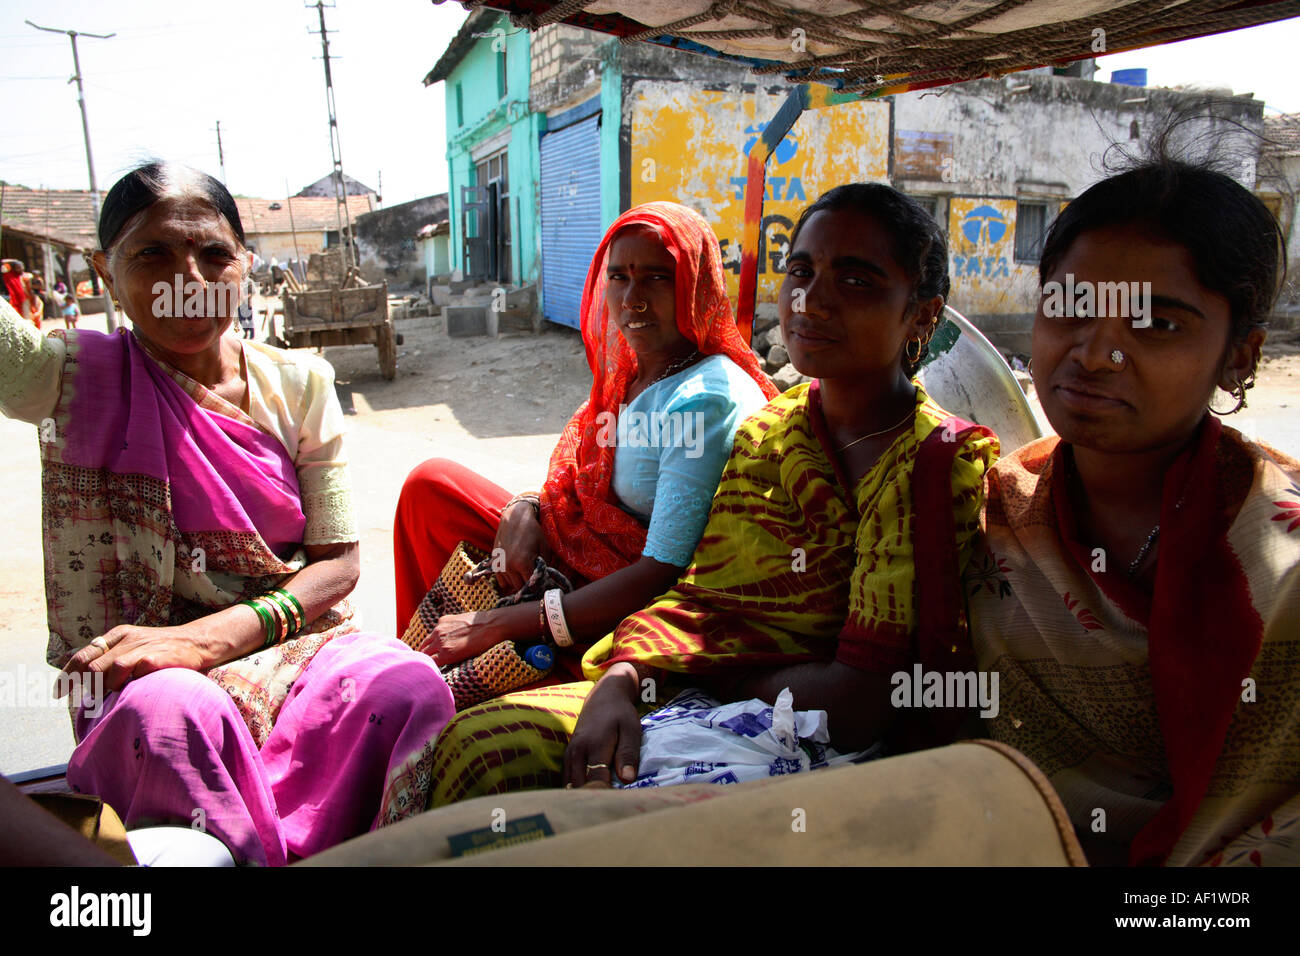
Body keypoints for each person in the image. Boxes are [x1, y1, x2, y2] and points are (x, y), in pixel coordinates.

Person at [429, 184, 998, 805]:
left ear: (921, 316)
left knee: (518, 770)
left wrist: (715, 674)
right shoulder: (770, 433)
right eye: (801, 271)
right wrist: (623, 676)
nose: (811, 299)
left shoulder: (931, 463)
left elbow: (861, 699)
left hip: (812, 735)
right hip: (695, 678)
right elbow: (701, 592)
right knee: (473, 743)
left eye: (856, 280)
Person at [0, 161, 454, 867]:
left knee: (406, 683)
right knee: (173, 713)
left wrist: (212, 638)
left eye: (213, 254)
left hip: (288, 643)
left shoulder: (299, 383)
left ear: (245, 264)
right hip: (144, 665)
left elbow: (338, 562)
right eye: (153, 254)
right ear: (104, 271)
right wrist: (177, 652)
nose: (189, 280)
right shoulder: (68, 376)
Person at [966, 158, 1300, 866]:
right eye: (1070, 309)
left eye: (1156, 324)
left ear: (1240, 357)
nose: (1094, 354)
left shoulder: (1286, 562)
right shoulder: (984, 514)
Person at [394, 201, 776, 668]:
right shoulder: (634, 373)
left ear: (697, 286)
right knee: (432, 488)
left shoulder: (705, 399)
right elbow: (578, 481)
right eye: (618, 277)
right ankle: (417, 656)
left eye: (656, 277)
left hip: (623, 601)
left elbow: (662, 573)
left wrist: (496, 624)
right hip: (574, 554)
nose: (632, 298)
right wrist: (525, 507)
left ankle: (457, 668)